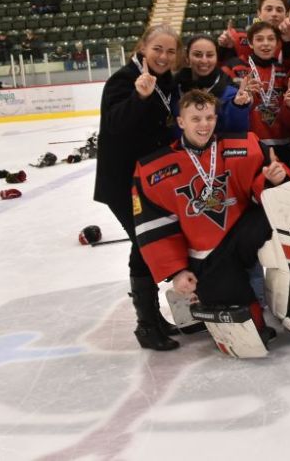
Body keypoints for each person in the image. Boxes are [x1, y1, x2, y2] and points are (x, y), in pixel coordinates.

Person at [133, 89, 290, 347]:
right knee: (251, 336)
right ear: (181, 121)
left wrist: (274, 179)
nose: (204, 124)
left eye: (209, 117)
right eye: (196, 119)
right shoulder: (154, 170)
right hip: (207, 257)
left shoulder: (244, 146)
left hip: (242, 234)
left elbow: (263, 183)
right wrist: (176, 271)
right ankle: (227, 303)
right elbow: (155, 228)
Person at [94, 24, 182, 351]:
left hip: (149, 179)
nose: (163, 56)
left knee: (146, 244)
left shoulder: (168, 80)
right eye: (158, 48)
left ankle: (152, 318)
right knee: (143, 244)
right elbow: (115, 125)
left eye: (170, 51)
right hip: (122, 180)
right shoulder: (123, 80)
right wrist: (140, 97)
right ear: (144, 47)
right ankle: (146, 324)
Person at [222, 22, 290, 158]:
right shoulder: (234, 67)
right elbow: (224, 105)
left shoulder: (284, 70)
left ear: (277, 43)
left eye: (271, 39)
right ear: (250, 43)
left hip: (283, 143)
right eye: (259, 39)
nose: (265, 43)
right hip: (250, 143)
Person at [173, 34, 252, 136]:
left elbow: (238, 133)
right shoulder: (174, 88)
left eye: (210, 55)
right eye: (197, 55)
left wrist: (238, 107)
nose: (204, 60)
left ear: (216, 58)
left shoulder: (231, 93)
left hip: (216, 150)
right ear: (187, 58)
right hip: (180, 150)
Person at [217, 0, 290, 64]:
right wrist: (224, 49)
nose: (274, 14)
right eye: (269, 9)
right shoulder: (236, 38)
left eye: (279, 10)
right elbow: (222, 69)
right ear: (259, 13)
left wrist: (288, 42)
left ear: (286, 14)